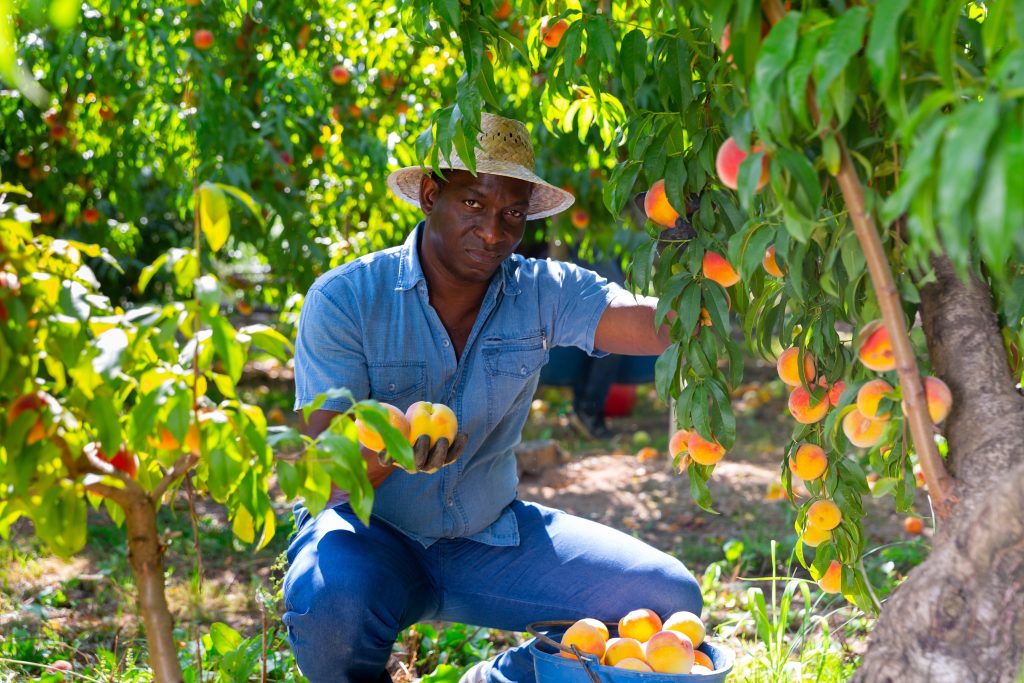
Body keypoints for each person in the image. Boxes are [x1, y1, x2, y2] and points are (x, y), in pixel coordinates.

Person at [284, 112, 702, 683]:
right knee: (331, 604)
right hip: (369, 540)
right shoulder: (347, 299)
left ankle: (501, 678)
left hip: (487, 538)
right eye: (474, 205)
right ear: (431, 195)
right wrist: (389, 444)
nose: (494, 232)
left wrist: (699, 261)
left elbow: (654, 327)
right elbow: (328, 479)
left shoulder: (540, 290)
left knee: (664, 596)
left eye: (513, 214)